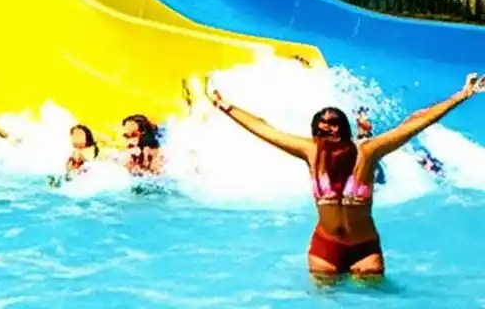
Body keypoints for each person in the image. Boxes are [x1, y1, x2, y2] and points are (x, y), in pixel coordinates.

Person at [208, 73, 485, 277]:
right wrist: (225, 106)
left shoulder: (368, 151)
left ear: (346, 130)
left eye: (336, 125)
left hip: (365, 250)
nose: (330, 130)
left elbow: (414, 124)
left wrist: (462, 95)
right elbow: (265, 129)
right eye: (324, 126)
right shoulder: (311, 151)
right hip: (323, 250)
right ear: (316, 132)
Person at [0, 101, 100, 174]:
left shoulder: (92, 151)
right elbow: (5, 135)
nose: (76, 137)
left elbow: (89, 155)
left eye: (80, 134)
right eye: (75, 134)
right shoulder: (55, 146)